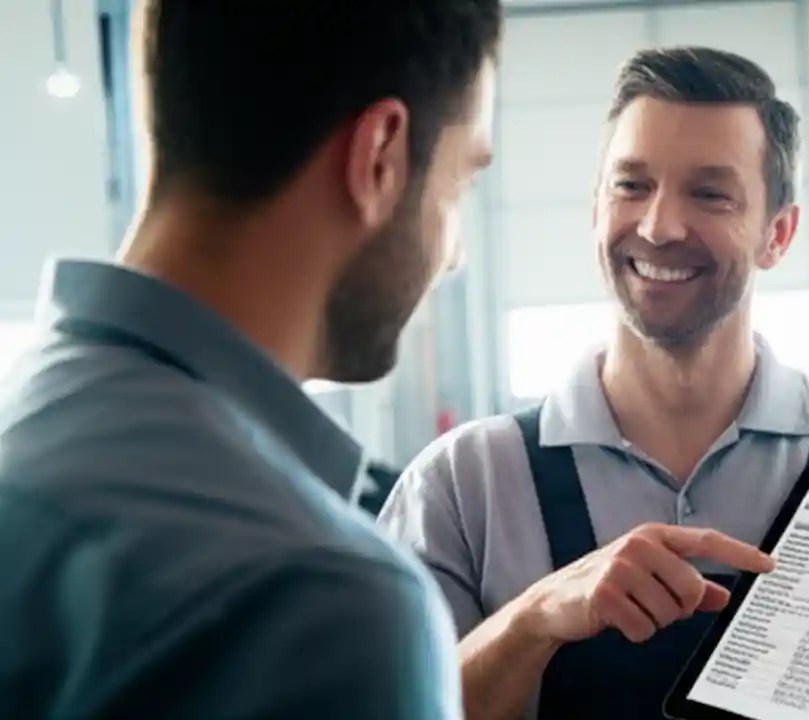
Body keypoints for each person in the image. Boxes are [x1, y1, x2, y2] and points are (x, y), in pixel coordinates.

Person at [379, 46, 809, 720]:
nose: (659, 225)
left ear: (777, 234)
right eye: (630, 185)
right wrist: (534, 619)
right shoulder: (464, 483)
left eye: (709, 194)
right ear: (594, 208)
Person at [0, 1, 499, 717]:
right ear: (380, 157)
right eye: (460, 182)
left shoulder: (26, 427)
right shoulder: (321, 600)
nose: (453, 257)